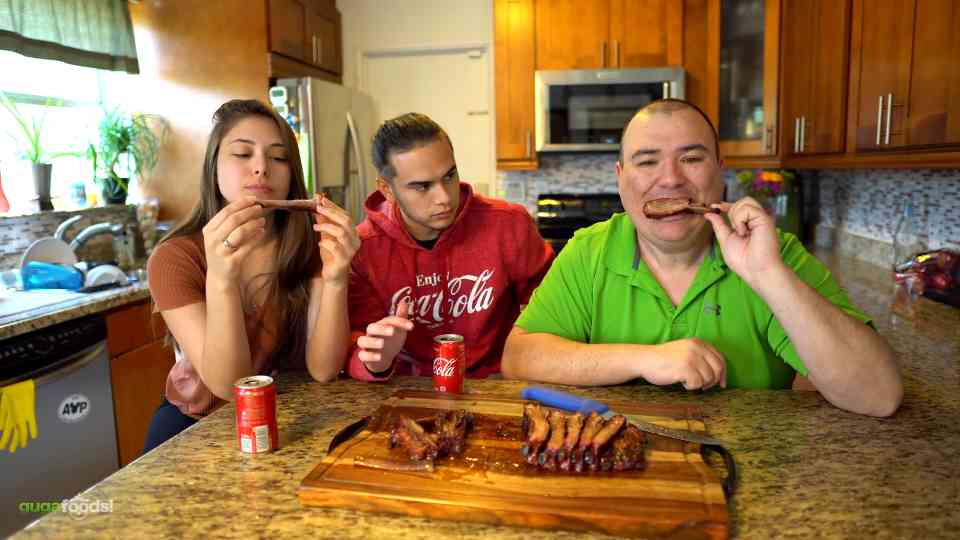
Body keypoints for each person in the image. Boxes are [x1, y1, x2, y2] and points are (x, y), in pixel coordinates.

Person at [501, 99, 903, 418]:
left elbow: (879, 396)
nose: (671, 178)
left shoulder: (771, 253)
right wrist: (646, 360)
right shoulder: (590, 251)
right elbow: (519, 358)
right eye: (646, 161)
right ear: (620, 177)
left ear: (719, 170)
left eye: (691, 158)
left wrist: (766, 274)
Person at [143, 99, 360, 452]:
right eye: (243, 154)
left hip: (290, 422)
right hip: (196, 426)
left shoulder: (312, 245)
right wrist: (221, 279)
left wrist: (336, 278)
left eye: (278, 157)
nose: (261, 168)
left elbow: (323, 370)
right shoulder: (174, 259)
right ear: (213, 167)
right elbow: (230, 385)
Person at [347, 112, 553, 381]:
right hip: (409, 386)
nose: (444, 197)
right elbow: (356, 347)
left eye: (449, 176)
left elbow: (552, 311)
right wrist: (376, 362)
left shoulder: (509, 224)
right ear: (386, 189)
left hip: (498, 381)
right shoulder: (363, 250)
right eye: (422, 187)